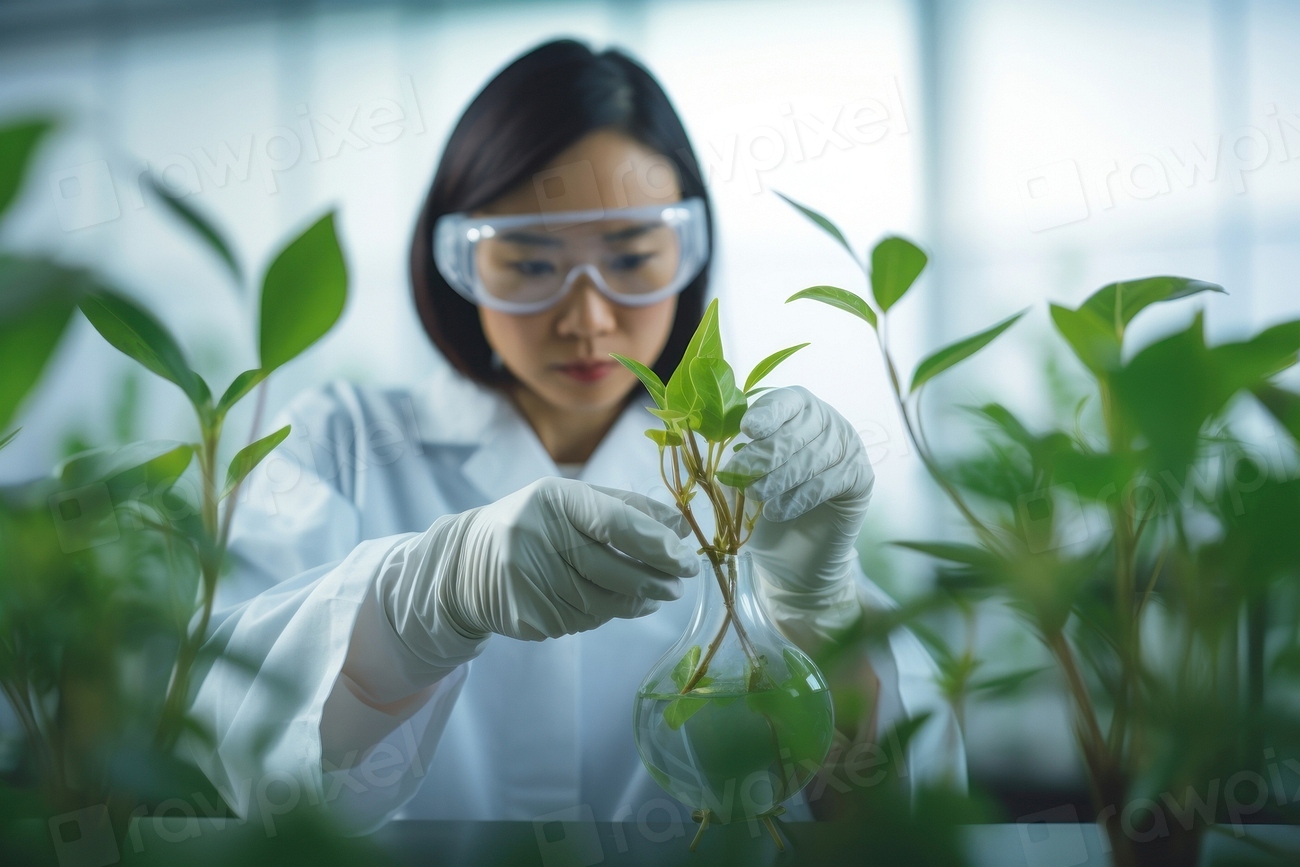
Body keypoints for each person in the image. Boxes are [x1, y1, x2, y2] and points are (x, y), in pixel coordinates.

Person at [187, 38, 966, 834]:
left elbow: (894, 816)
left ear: (685, 258)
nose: (588, 318)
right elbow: (221, 744)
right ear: (458, 267)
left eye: (631, 258)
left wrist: (819, 609)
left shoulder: (750, 473)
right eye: (529, 265)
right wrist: (416, 607)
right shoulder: (344, 441)